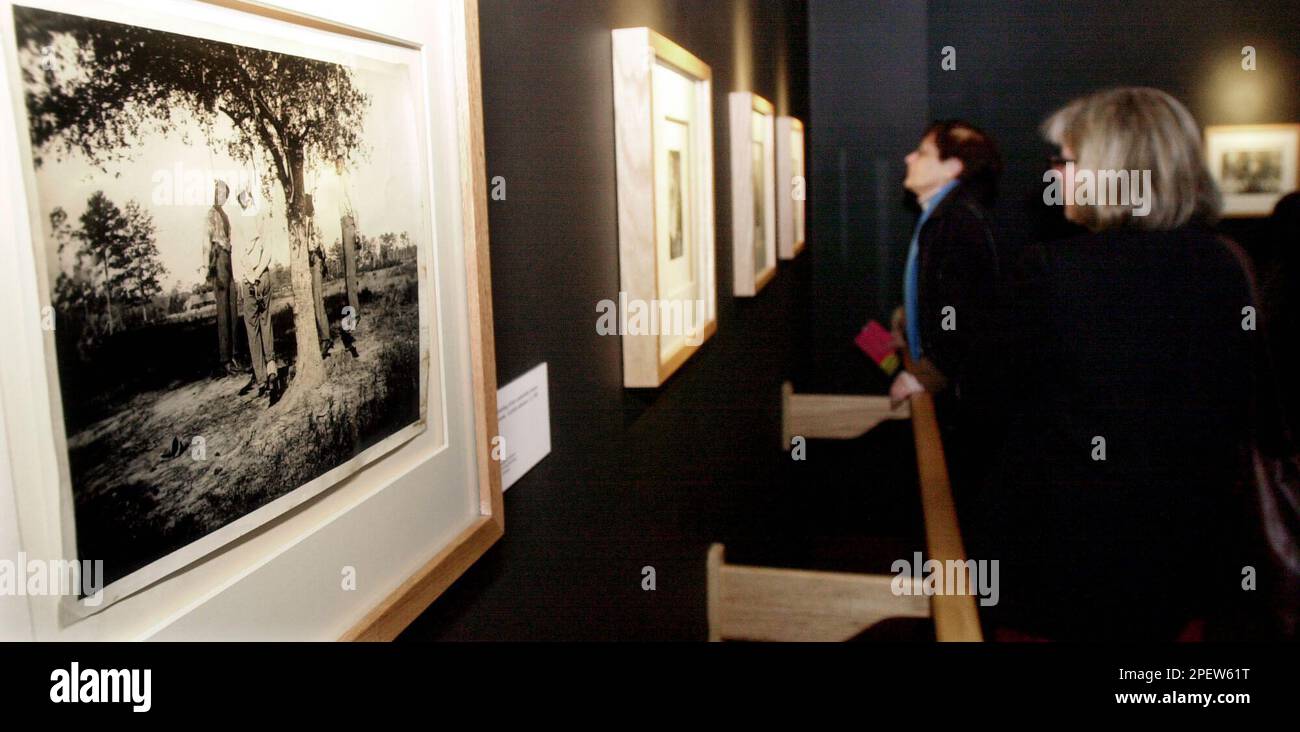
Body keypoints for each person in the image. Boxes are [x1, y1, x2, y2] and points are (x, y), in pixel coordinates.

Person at [966, 87, 1262, 640]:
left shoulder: (1050, 271)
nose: (1053, 176)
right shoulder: (1227, 264)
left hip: (1067, 562)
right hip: (1187, 559)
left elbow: (990, 403)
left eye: (1066, 160)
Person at [888, 121, 1002, 480]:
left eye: (922, 153)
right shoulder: (942, 215)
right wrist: (908, 320)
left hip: (962, 401)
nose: (909, 157)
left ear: (952, 168)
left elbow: (963, 312)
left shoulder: (957, 221)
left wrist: (926, 375)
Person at [230, 186, 284, 406]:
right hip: (258, 277)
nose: (246, 200)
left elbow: (244, 256)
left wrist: (252, 276)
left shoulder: (243, 223)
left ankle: (265, 377)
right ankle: (269, 374)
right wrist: (257, 274)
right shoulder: (259, 219)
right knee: (263, 324)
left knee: (255, 327)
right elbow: (267, 251)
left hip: (251, 279)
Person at [202, 180, 241, 376]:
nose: (222, 197)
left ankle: (235, 354)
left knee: (233, 307)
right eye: (219, 193)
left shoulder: (224, 214)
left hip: (228, 259)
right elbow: (207, 241)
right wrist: (208, 268)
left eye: (225, 193)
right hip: (218, 259)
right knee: (223, 311)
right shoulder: (210, 214)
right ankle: (225, 359)